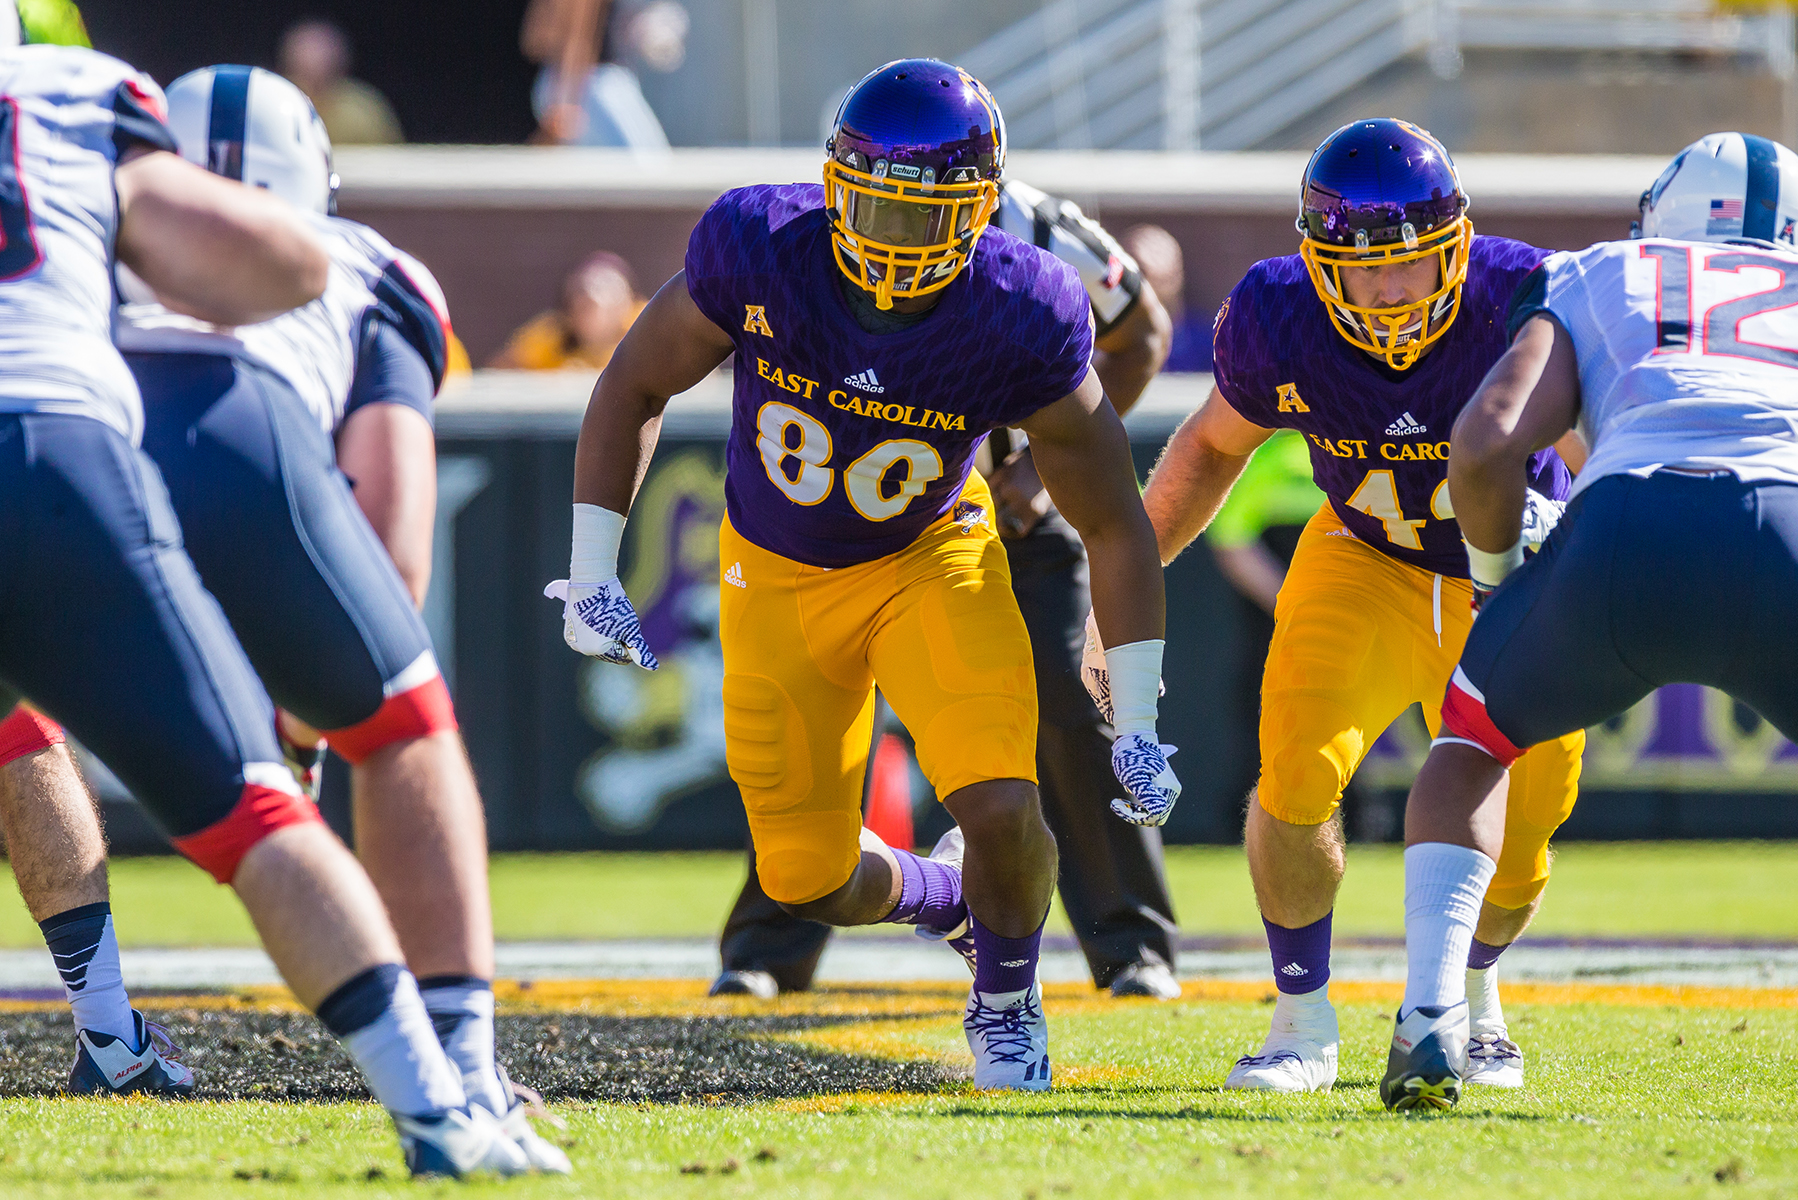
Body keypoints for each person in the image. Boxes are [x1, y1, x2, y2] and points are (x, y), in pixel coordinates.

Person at [549, 58, 1180, 1090]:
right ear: (835, 186)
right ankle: (946, 901)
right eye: (876, 212)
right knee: (807, 877)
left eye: (925, 219)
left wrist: (1139, 713)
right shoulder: (762, 245)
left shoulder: (1024, 304)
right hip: (776, 577)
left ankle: (1009, 1003)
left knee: (1007, 811)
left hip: (932, 558)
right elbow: (632, 383)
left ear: (982, 214)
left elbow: (1113, 523)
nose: (895, 245)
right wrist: (589, 567)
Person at [0, 29, 524, 1177]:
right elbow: (393, 548)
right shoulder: (79, 102)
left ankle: (109, 1029)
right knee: (354, 750)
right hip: (83, 449)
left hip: (100, 424)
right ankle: (452, 1092)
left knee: (20, 731)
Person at [1133, 119, 1586, 1094]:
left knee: (1523, 852)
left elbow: (1605, 459)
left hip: (1509, 576)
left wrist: (1590, 544)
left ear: (1456, 249)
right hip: (1364, 556)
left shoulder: (1530, 298)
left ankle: (1474, 991)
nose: (1388, 291)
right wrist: (1118, 584)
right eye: (1361, 267)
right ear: (1315, 262)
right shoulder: (1279, 314)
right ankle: (1302, 1021)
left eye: (1412, 267)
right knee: (1292, 780)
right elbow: (1215, 446)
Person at [1382, 132, 1798, 1109]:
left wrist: (1496, 587)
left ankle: (1432, 1018)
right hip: (1788, 521)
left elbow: (1485, 444)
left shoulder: (1605, 269)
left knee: (1473, 742)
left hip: (1628, 524)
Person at [710, 175, 1184, 1002]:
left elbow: (1143, 331)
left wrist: (1038, 473)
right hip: (865, 514)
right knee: (818, 716)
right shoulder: (817, 231)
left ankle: (1130, 943)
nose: (906, 244)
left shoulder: (1043, 236)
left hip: (1008, 511)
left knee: (1073, 710)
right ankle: (771, 946)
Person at [522, 0, 670, 149]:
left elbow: (533, 41)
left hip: (573, 83)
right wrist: (565, 100)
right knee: (647, 163)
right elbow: (577, 39)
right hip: (585, 87)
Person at [489, 251, 645, 371]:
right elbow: (501, 373)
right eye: (582, 306)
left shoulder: (643, 324)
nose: (591, 315)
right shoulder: (552, 334)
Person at [279, 19, 402, 146]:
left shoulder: (363, 112)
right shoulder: (275, 106)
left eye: (324, 76)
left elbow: (388, 159)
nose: (314, 87)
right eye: (304, 74)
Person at [1120, 223, 1212, 372]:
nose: (1137, 284)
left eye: (1143, 273)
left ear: (1177, 275)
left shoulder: (1207, 345)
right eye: (1131, 271)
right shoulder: (1099, 343)